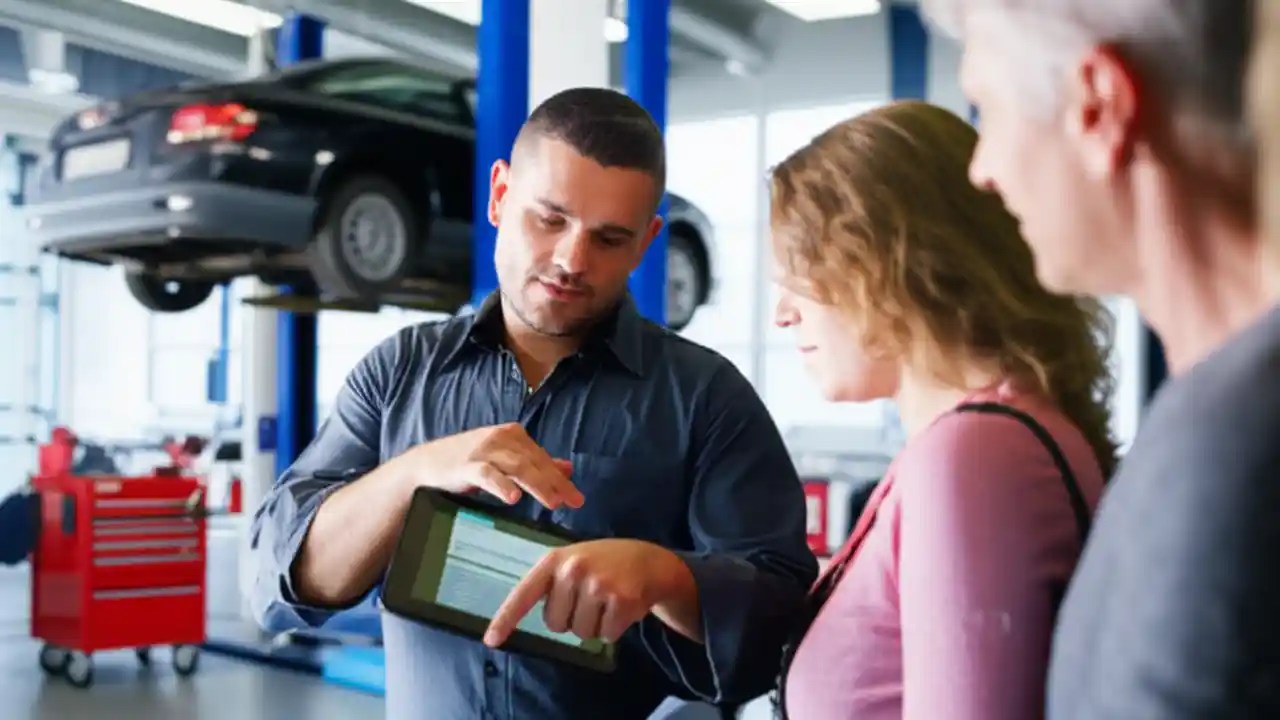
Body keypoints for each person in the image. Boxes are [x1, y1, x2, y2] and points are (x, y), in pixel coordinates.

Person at [247, 88, 817, 719]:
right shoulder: (398, 374)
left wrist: (665, 577)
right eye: (549, 219)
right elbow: (278, 581)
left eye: (608, 238)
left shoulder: (706, 401)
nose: (572, 259)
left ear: (646, 242)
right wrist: (411, 474)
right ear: (499, 195)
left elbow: (783, 630)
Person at [920, 0, 1280, 717]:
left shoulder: (1230, 457)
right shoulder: (1210, 422)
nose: (982, 171)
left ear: (1098, 106)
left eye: (987, 111)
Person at [769, 100, 1116, 720]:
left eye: (799, 277)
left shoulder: (973, 456)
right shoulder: (994, 437)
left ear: (883, 263)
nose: (783, 313)